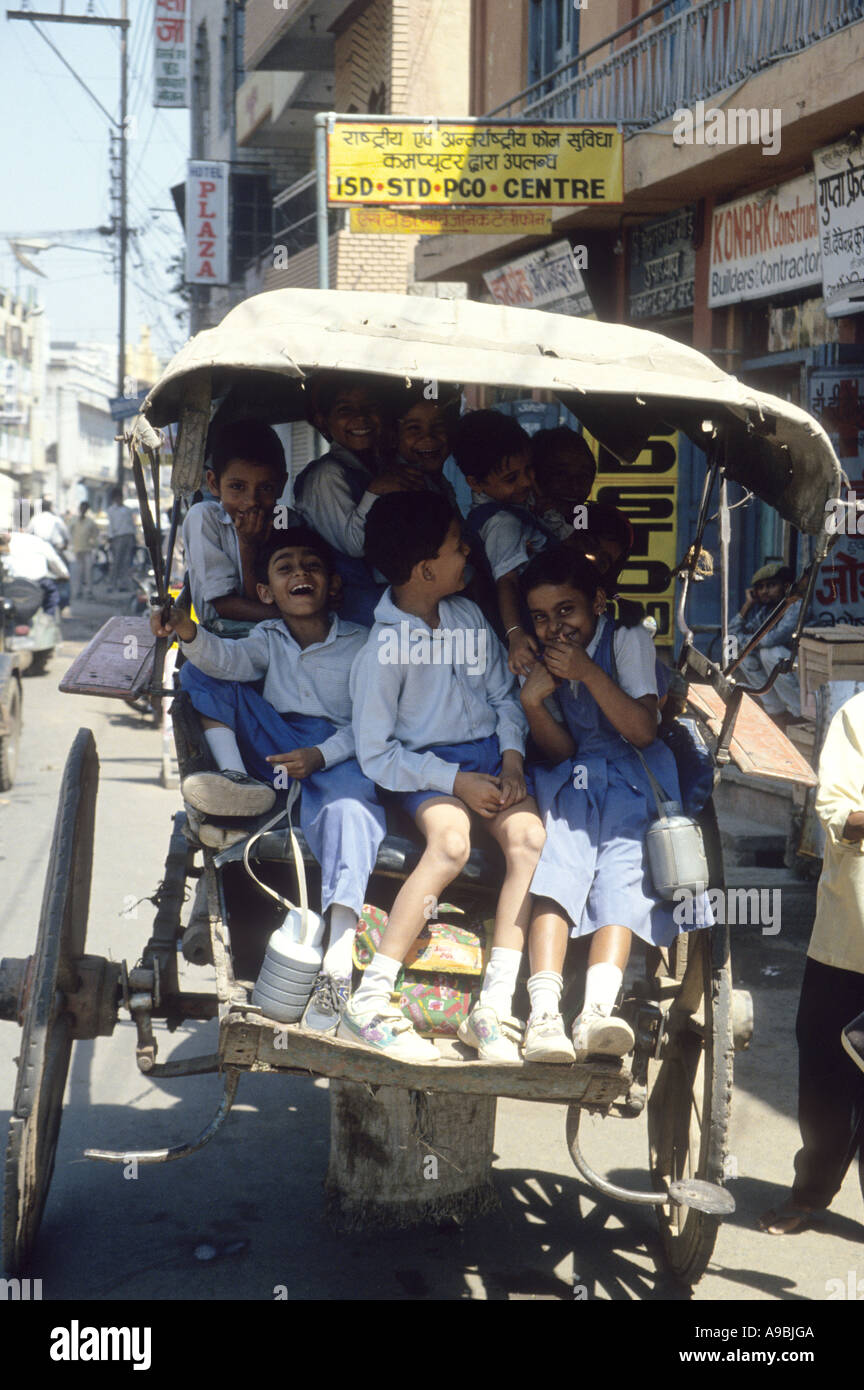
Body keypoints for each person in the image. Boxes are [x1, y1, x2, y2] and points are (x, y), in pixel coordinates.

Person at [151, 526, 386, 1034]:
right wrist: (187, 632)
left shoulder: (362, 643)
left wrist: (322, 755)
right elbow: (226, 660)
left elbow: (374, 723)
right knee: (203, 673)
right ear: (266, 592)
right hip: (273, 747)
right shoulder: (266, 638)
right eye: (285, 568)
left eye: (312, 566)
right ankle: (234, 777)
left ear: (333, 586)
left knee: (350, 814)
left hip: (340, 752)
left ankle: (337, 964)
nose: (300, 573)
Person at [345, 492, 546, 1063]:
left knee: (529, 840)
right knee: (451, 844)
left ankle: (492, 1007)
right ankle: (372, 999)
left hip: (491, 757)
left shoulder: (466, 617)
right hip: (425, 770)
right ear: (427, 569)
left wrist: (511, 758)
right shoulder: (384, 650)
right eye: (459, 548)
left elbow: (503, 698)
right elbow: (377, 754)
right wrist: (455, 782)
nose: (469, 557)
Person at [517, 548, 706, 1062]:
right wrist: (534, 703)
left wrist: (586, 672)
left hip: (632, 778)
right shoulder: (538, 659)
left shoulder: (627, 640)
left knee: (622, 877)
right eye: (541, 617)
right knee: (560, 871)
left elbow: (643, 730)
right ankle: (544, 1014)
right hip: (575, 779)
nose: (557, 628)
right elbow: (561, 750)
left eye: (567, 611)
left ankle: (596, 1012)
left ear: (598, 602)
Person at [760, 690, 864, 1234]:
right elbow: (839, 814)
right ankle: (811, 1192)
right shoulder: (858, 715)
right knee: (826, 1064)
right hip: (853, 935)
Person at [293, 373, 404, 626]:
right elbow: (354, 544)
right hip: (354, 607)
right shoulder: (326, 474)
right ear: (322, 420)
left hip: (385, 600)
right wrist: (375, 491)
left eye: (370, 408)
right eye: (345, 409)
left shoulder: (376, 466)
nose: (361, 417)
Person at [452, 410, 552, 676]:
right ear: (475, 483)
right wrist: (516, 635)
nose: (526, 482)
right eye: (511, 478)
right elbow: (505, 581)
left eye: (528, 470)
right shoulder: (502, 523)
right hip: (530, 633)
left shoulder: (507, 510)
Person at [182, 418, 293, 634]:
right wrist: (247, 544)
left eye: (266, 488)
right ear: (213, 483)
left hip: (281, 636)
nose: (251, 501)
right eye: (237, 487)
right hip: (224, 639)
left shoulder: (286, 520)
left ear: (281, 486)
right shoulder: (204, 518)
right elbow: (226, 606)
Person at [728, 560, 804, 726]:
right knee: (743, 656)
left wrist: (745, 642)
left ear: (786, 587)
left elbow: (772, 639)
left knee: (770, 653)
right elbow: (731, 635)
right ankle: (776, 711)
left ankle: (799, 713)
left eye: (770, 586)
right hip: (786, 668)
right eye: (760, 587)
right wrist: (748, 604)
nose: (764, 591)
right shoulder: (766, 611)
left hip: (804, 669)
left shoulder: (795, 606)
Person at [530, 428, 597, 541]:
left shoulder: (584, 519)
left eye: (584, 475)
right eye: (560, 474)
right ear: (533, 476)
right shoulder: (511, 526)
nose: (575, 486)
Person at [1, 528, 69, 616]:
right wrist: (64, 574)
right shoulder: (38, 541)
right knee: (53, 598)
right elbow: (54, 560)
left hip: (11, 583)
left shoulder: (6, 542)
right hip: (38, 582)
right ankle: (49, 617)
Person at [106, 488, 138, 591]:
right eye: (117, 497)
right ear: (114, 498)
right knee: (116, 562)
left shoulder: (127, 510)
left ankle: (123, 584)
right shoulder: (111, 510)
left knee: (126, 561)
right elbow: (110, 525)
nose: (119, 499)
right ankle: (112, 584)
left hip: (128, 536)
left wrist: (134, 537)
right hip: (117, 537)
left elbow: (132, 525)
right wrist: (110, 538)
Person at [69, 501, 99, 600]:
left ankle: (89, 591)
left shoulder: (90, 522)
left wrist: (93, 544)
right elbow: (69, 532)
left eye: (85, 508)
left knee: (88, 571)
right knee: (79, 572)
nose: (83, 510)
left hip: (87, 549)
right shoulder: (73, 520)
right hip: (77, 549)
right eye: (82, 508)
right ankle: (78, 591)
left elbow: (95, 534)